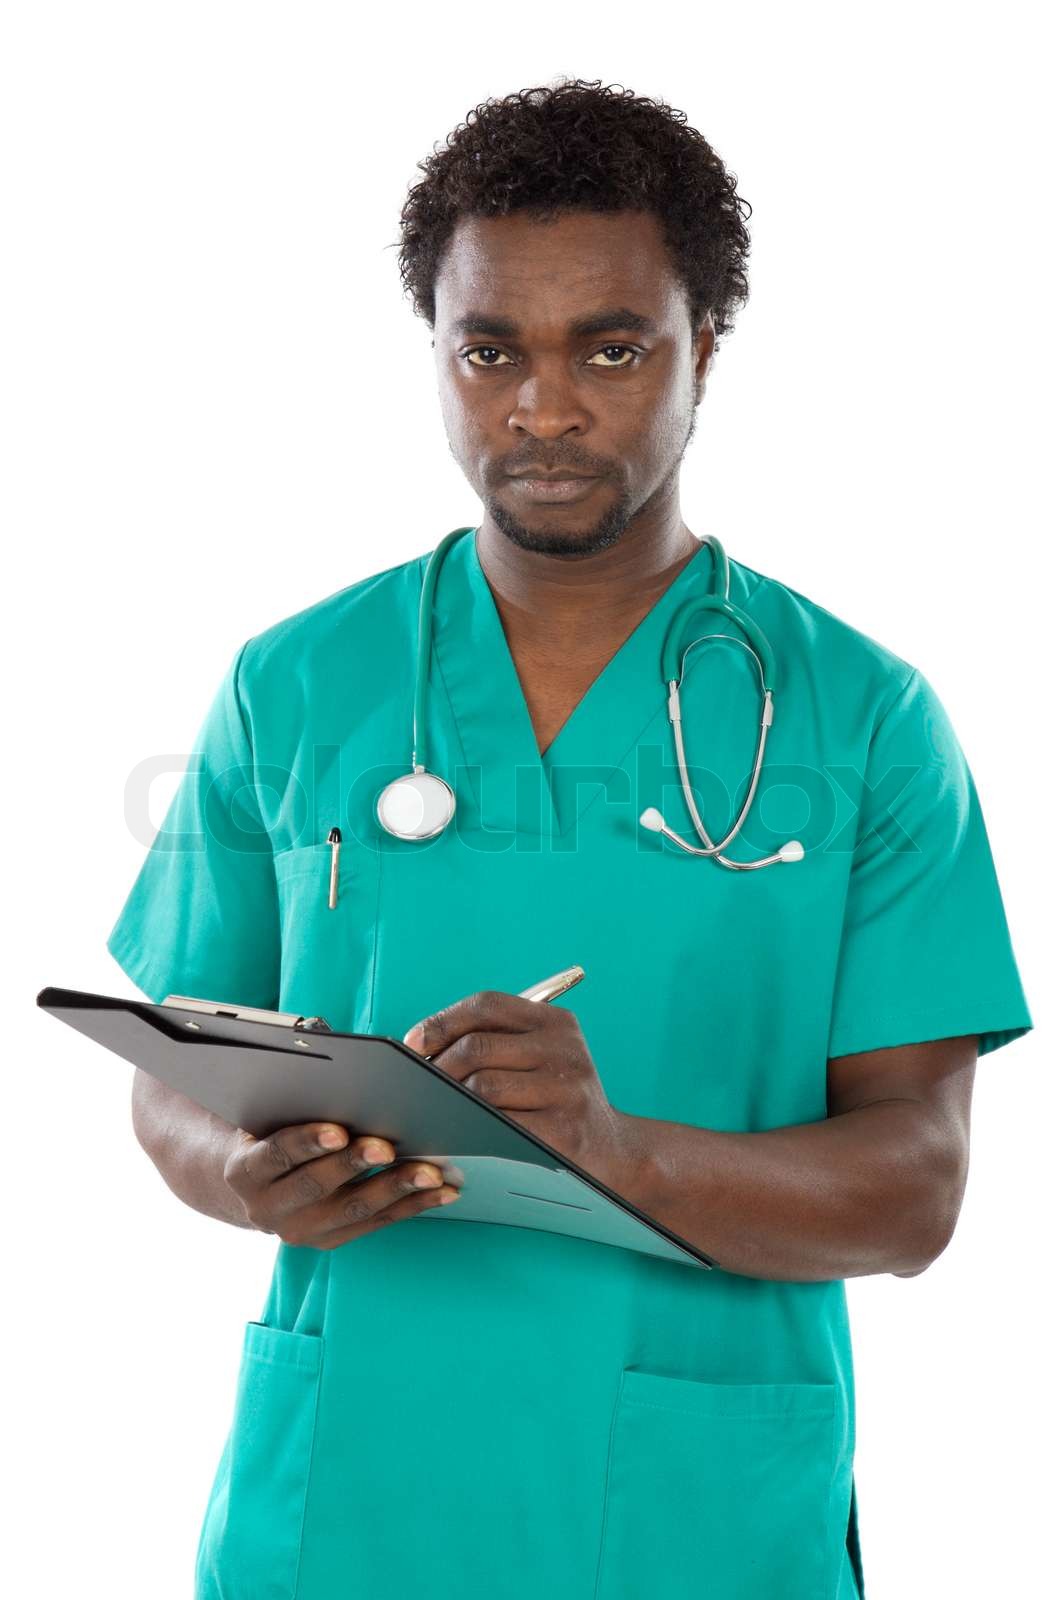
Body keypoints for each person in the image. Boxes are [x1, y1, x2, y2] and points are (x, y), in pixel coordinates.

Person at [108, 79, 1033, 1600]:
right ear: (440, 357)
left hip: (693, 1528)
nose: (541, 407)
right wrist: (234, 1168)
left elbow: (918, 1191)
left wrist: (616, 1154)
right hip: (342, 1509)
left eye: (612, 348)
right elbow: (173, 1079)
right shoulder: (294, 685)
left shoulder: (864, 719)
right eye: (490, 351)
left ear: (702, 350)